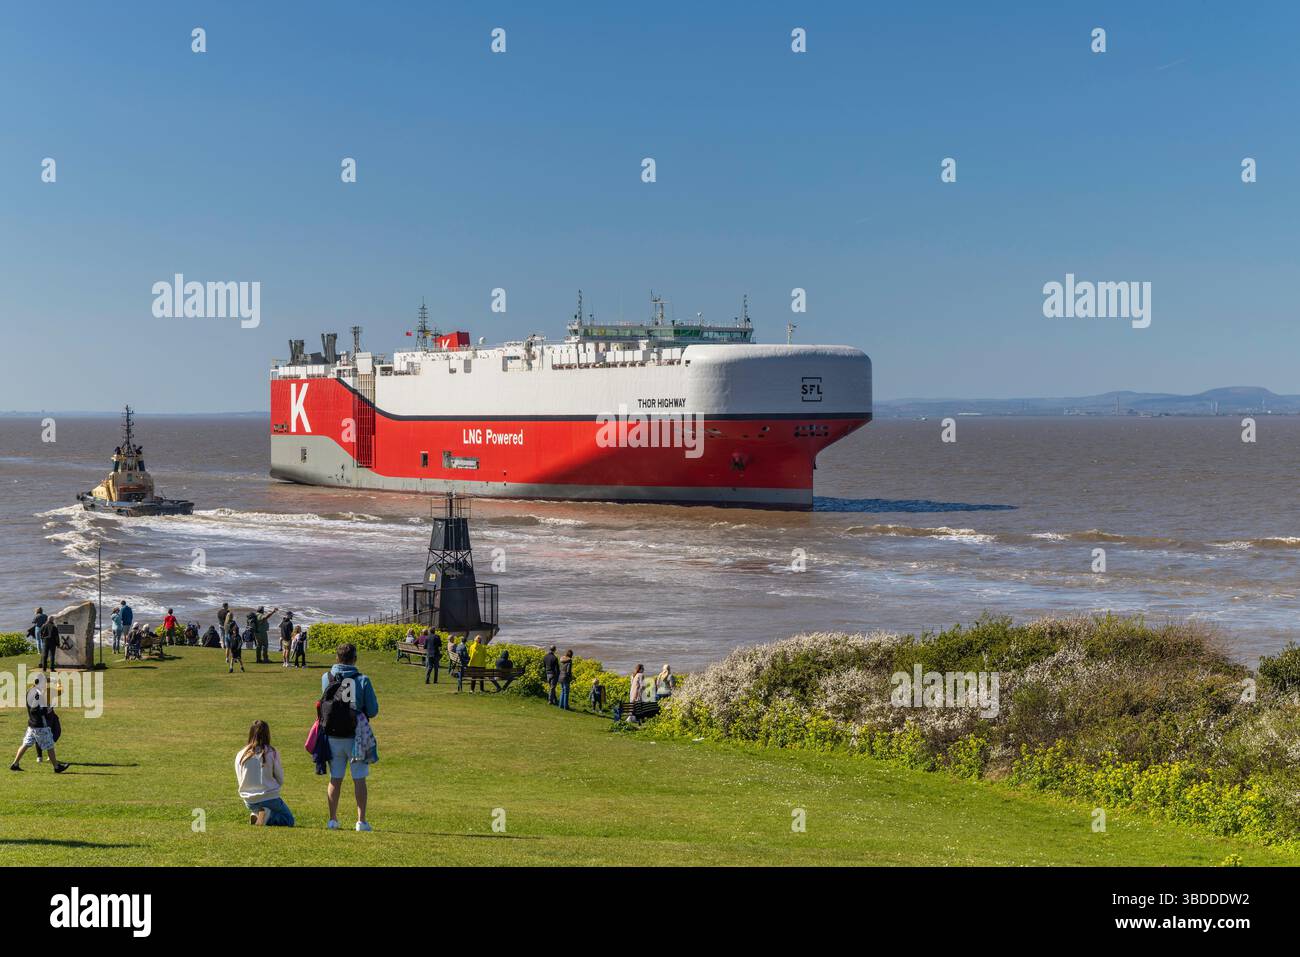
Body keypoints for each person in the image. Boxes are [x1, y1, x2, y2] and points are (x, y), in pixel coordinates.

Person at [320, 644, 379, 831]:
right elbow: (373, 710)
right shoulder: (362, 679)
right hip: (356, 736)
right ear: (355, 658)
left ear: (337, 658)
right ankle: (361, 821)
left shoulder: (326, 677)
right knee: (359, 779)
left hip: (332, 735)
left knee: (335, 778)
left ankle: (332, 819)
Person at [234, 720, 294, 826]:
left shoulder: (241, 754)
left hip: (249, 800)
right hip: (269, 797)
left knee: (262, 808)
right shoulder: (271, 752)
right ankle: (267, 815)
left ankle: (257, 814)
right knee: (288, 819)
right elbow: (280, 778)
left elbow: (240, 778)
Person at [10, 680, 68, 773]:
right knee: (50, 745)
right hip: (40, 725)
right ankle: (57, 767)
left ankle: (15, 764)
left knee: (26, 744)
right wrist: (44, 710)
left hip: (32, 724)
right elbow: (34, 709)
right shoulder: (39, 695)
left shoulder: (29, 691)